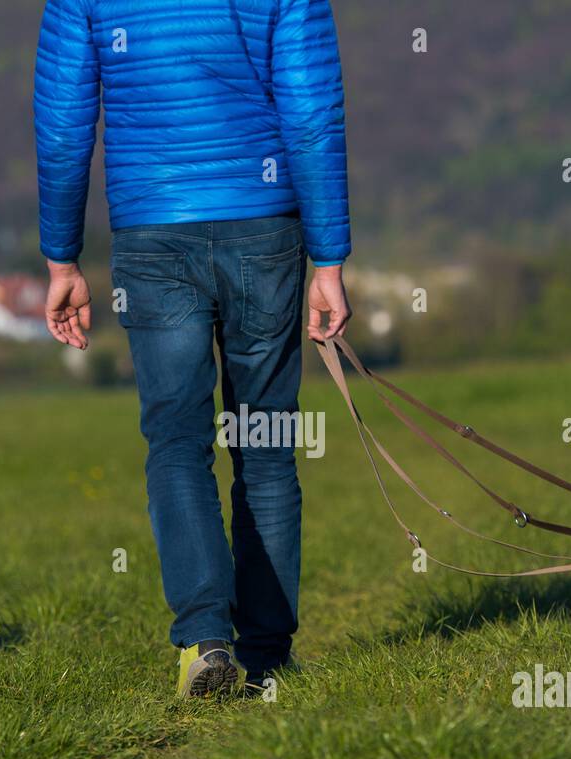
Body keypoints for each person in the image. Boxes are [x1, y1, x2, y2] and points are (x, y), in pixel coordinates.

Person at [34, 0, 352, 697]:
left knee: (177, 445)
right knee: (265, 443)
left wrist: (62, 257)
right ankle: (267, 653)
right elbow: (310, 111)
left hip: (153, 233)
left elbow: (63, 124)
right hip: (264, 229)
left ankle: (206, 639)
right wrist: (329, 258)